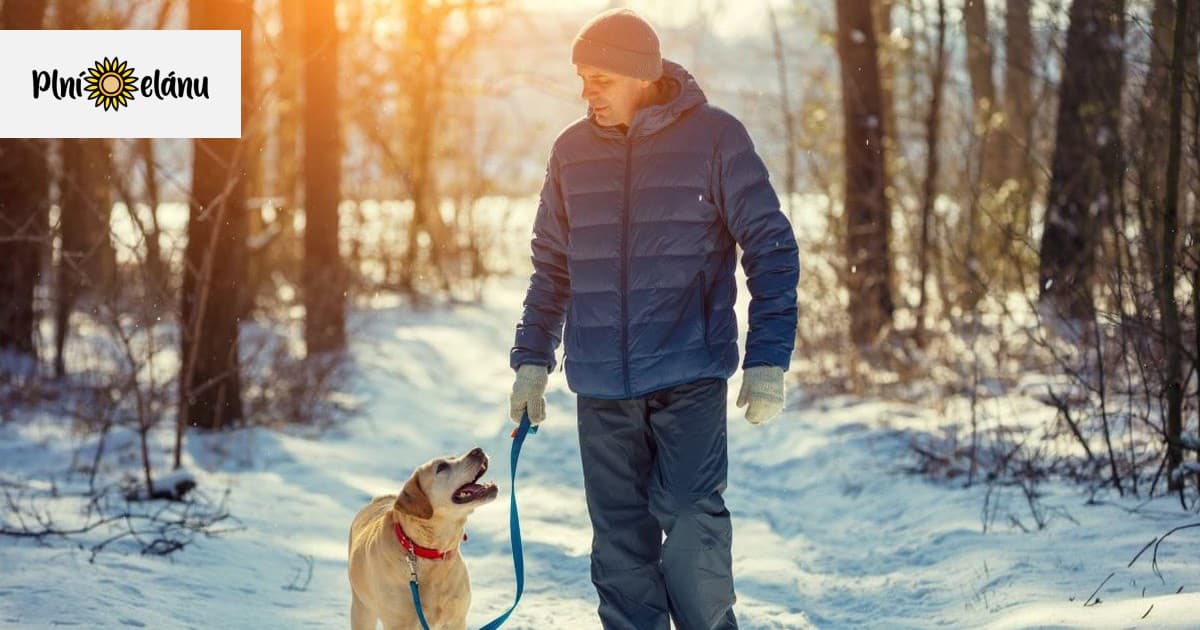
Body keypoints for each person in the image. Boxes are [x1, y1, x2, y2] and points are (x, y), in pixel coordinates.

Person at [508, 8, 799, 630]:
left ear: (641, 76)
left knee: (691, 516)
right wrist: (532, 360)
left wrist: (768, 358)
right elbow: (552, 268)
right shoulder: (571, 152)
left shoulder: (716, 139)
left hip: (688, 373)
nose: (587, 93)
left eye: (600, 79)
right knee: (619, 546)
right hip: (601, 386)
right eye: (581, 78)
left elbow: (771, 246)